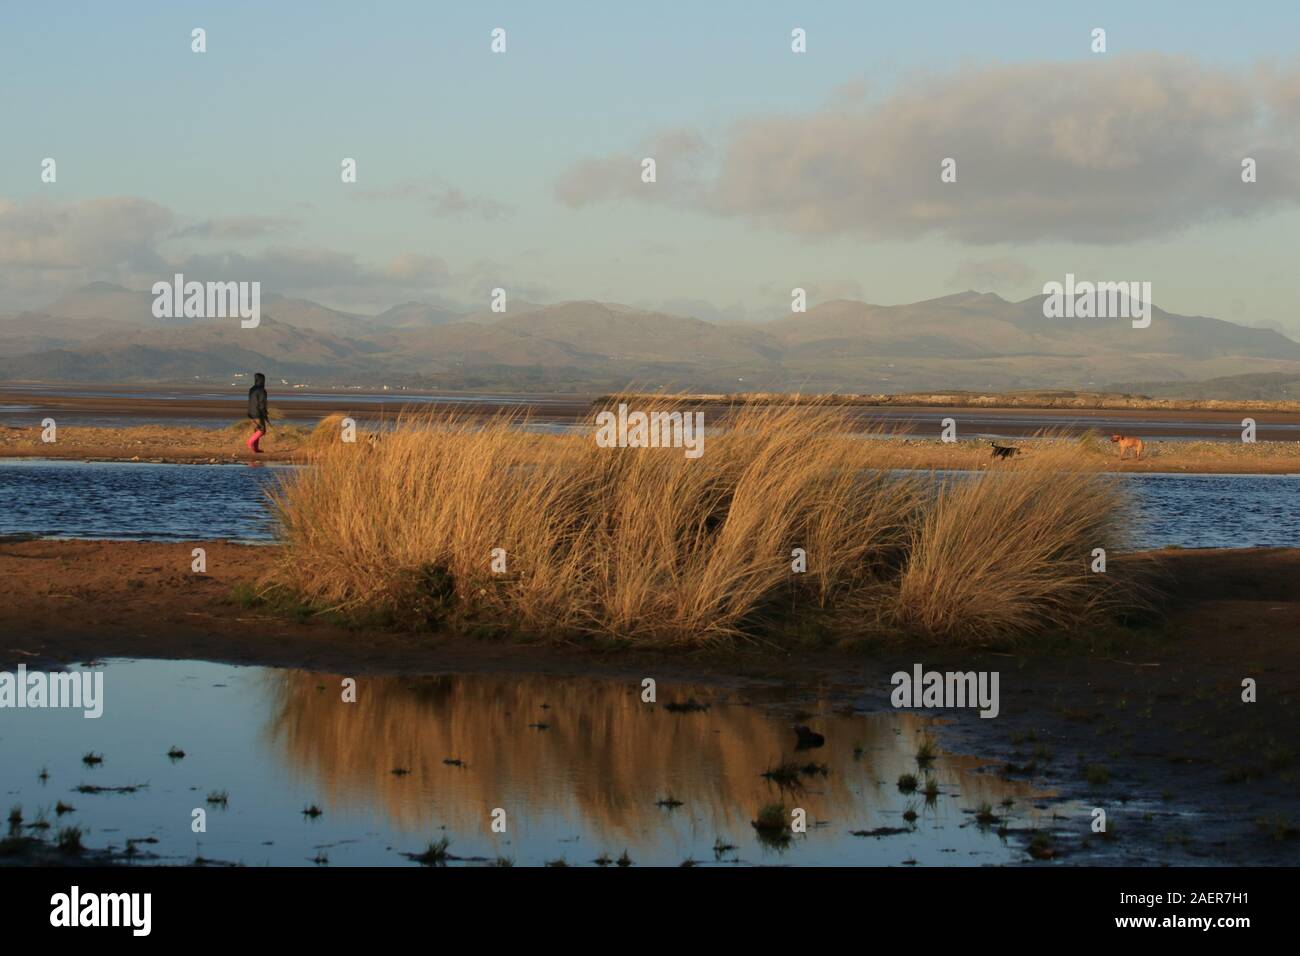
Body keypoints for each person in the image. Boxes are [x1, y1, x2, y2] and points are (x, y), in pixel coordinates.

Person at [246, 372, 269, 453]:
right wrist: (265, 413)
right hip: (258, 413)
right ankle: (249, 442)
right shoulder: (262, 390)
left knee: (257, 430)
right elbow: (262, 404)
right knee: (262, 430)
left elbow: (252, 402)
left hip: (250, 412)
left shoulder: (252, 389)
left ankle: (255, 448)